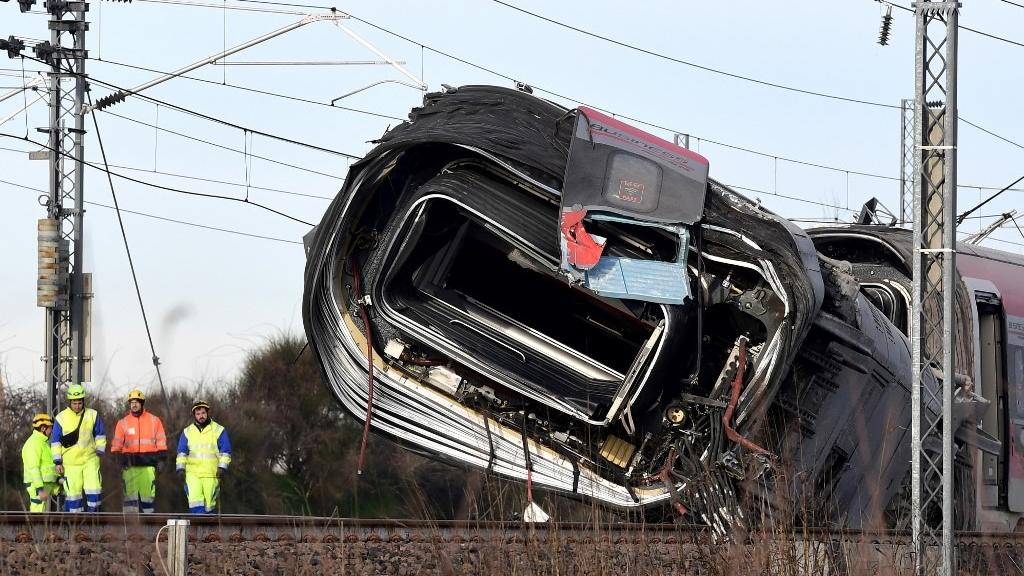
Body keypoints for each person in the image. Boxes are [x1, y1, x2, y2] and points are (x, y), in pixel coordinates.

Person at [50, 384, 106, 512]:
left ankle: (95, 520)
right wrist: (57, 462)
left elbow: (100, 434)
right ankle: (75, 522)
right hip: (70, 464)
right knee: (73, 496)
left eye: (79, 403)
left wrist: (100, 450)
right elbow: (55, 442)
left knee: (95, 491)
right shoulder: (61, 418)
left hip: (90, 460)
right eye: (74, 403)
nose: (77, 406)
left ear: (83, 401)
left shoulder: (92, 415)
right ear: (70, 402)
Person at [110, 389, 168, 513]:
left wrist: (162, 459)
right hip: (129, 466)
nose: (134, 405)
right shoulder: (123, 423)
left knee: (148, 500)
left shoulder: (154, 421)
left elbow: (161, 441)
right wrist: (117, 461)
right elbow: (116, 445)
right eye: (132, 402)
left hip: (148, 465)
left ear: (142, 403)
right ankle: (130, 525)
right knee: (129, 500)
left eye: (137, 402)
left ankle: (149, 524)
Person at [176, 400, 232, 514]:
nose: (201, 416)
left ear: (207, 413)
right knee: (195, 503)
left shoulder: (218, 430)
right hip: (192, 475)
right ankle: (198, 525)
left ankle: (208, 526)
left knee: (209, 506)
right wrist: (180, 469)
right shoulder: (187, 432)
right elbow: (181, 453)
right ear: (194, 415)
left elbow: (226, 452)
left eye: (203, 413)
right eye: (198, 414)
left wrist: (222, 468)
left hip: (211, 474)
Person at [22, 413, 60, 512]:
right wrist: (39, 489)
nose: (52, 431)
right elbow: (34, 469)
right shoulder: (33, 444)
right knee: (37, 510)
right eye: (50, 428)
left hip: (46, 483)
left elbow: (47, 465)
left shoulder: (42, 442)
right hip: (37, 484)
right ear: (43, 428)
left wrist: (58, 479)